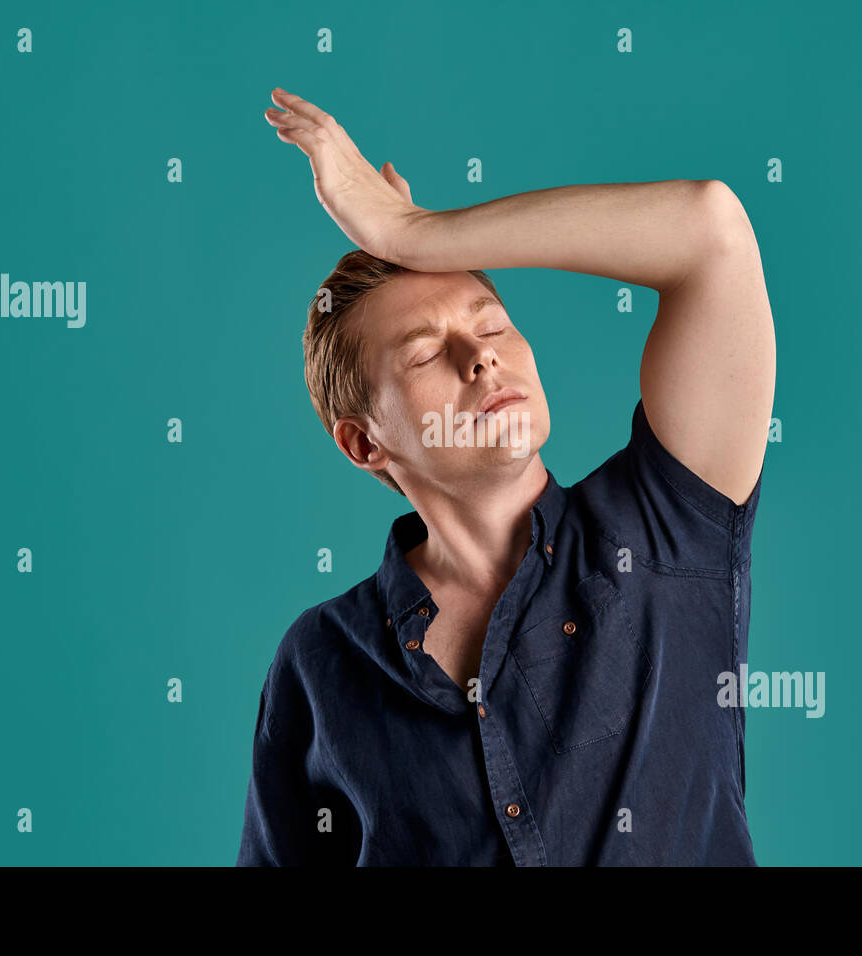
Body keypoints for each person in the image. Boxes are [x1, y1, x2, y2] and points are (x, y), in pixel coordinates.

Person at [236, 87, 776, 865]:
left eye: (491, 324)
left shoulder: (667, 526)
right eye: (425, 353)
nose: (479, 356)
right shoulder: (321, 663)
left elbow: (710, 230)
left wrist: (415, 232)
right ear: (364, 445)